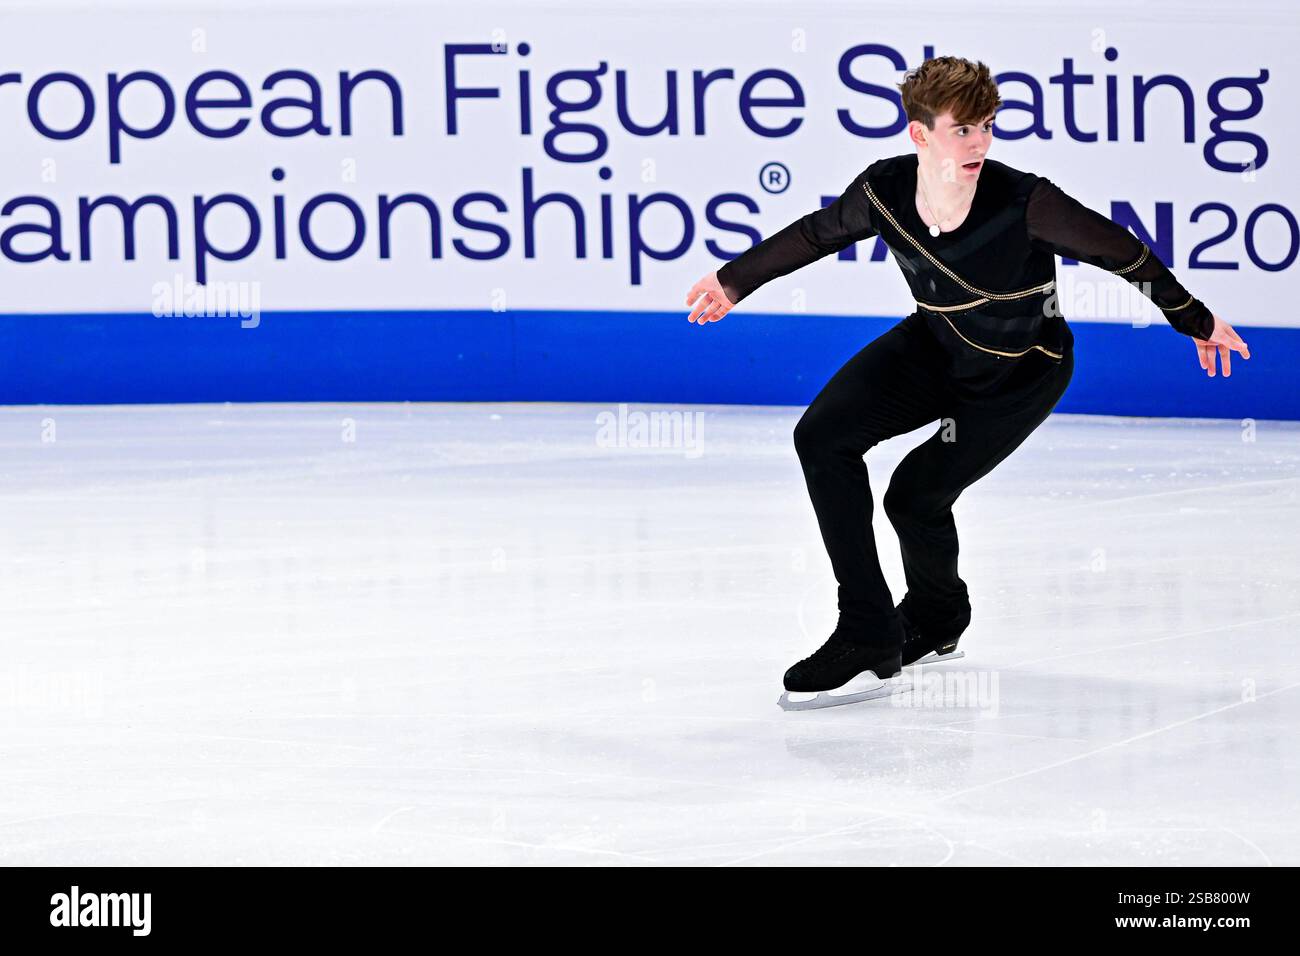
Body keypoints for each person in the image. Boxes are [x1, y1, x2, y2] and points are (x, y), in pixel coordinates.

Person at [683, 56, 1251, 708]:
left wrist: (1195, 320)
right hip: (934, 346)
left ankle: (936, 616)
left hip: (1021, 374)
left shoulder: (1024, 201)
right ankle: (868, 630)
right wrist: (734, 280)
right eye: (962, 129)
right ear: (920, 135)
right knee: (822, 437)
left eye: (985, 126)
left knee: (913, 497)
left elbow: (1121, 252)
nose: (978, 142)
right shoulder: (884, 191)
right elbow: (817, 232)